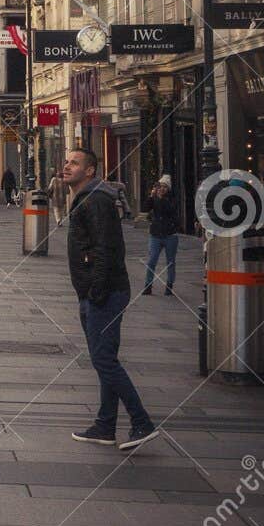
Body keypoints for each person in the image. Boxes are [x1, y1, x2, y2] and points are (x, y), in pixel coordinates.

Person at [63, 145, 156, 450]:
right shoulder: (87, 198)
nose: (67, 166)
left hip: (104, 292)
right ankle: (105, 426)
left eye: (74, 163)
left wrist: (96, 291)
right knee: (105, 359)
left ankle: (141, 422)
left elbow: (107, 248)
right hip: (97, 291)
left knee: (104, 360)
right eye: (67, 162)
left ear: (90, 170)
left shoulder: (96, 201)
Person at [143, 174, 179, 297]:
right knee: (152, 260)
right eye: (160, 186)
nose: (162, 189)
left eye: (165, 187)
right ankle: (148, 286)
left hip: (170, 234)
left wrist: (161, 199)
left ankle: (169, 286)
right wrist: (151, 196)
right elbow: (146, 208)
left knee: (170, 262)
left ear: (168, 188)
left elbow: (170, 210)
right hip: (156, 234)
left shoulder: (172, 198)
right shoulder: (154, 198)